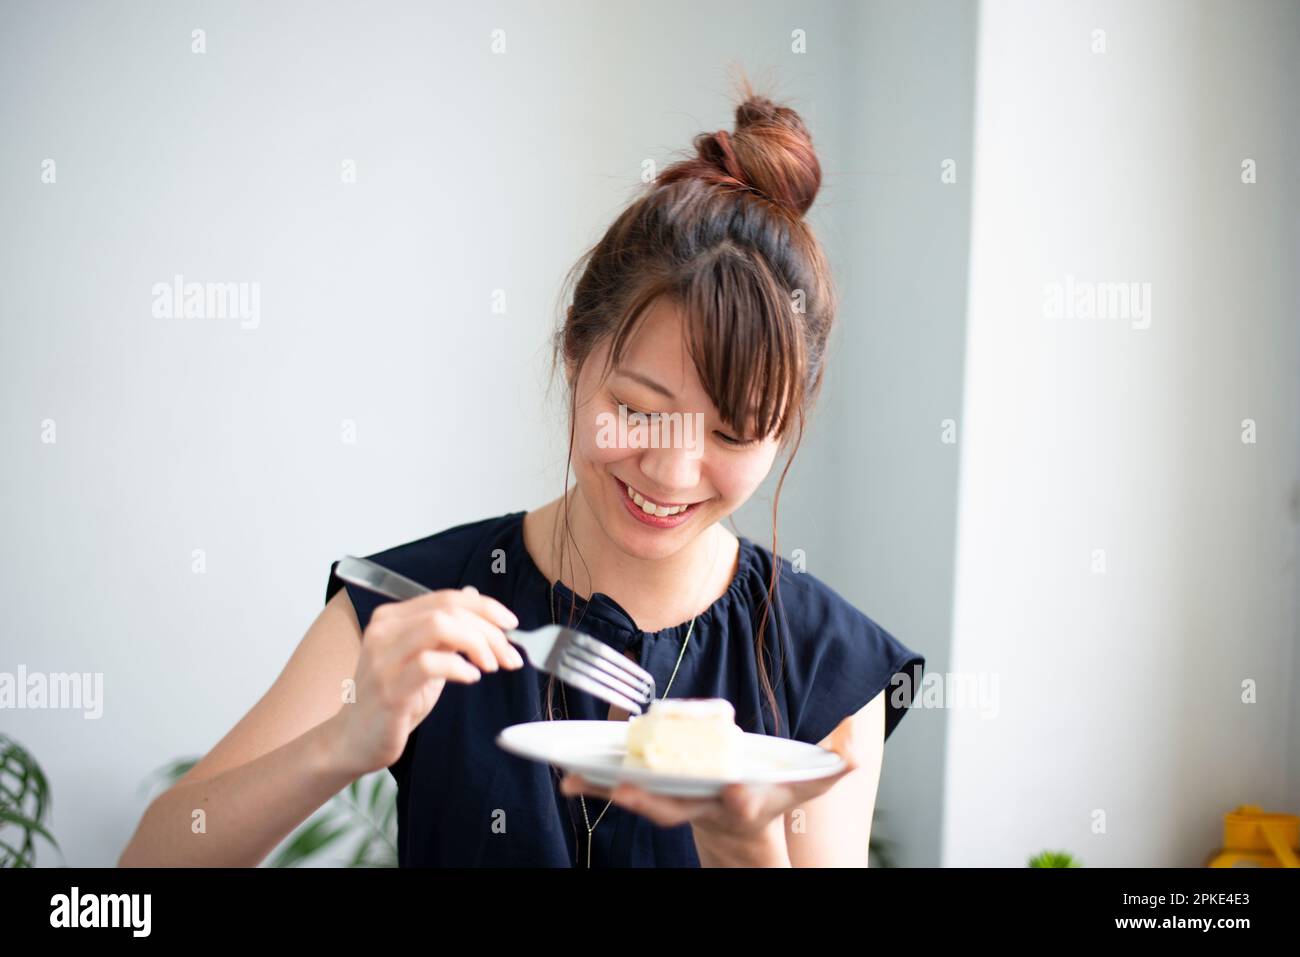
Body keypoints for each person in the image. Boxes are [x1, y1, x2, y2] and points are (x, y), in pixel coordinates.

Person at [119, 78, 925, 869]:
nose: (673, 469)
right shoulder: (414, 604)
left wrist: (745, 846)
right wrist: (341, 742)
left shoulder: (824, 662)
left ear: (784, 431)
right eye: (640, 409)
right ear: (574, 351)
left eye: (733, 432)